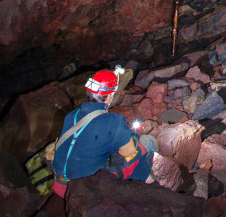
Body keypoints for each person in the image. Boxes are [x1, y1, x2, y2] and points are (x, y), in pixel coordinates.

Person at [51, 67, 156, 197]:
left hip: (61, 186)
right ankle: (137, 194)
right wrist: (134, 134)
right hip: (87, 188)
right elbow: (128, 151)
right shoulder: (113, 121)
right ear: (109, 96)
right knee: (148, 143)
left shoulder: (71, 115)